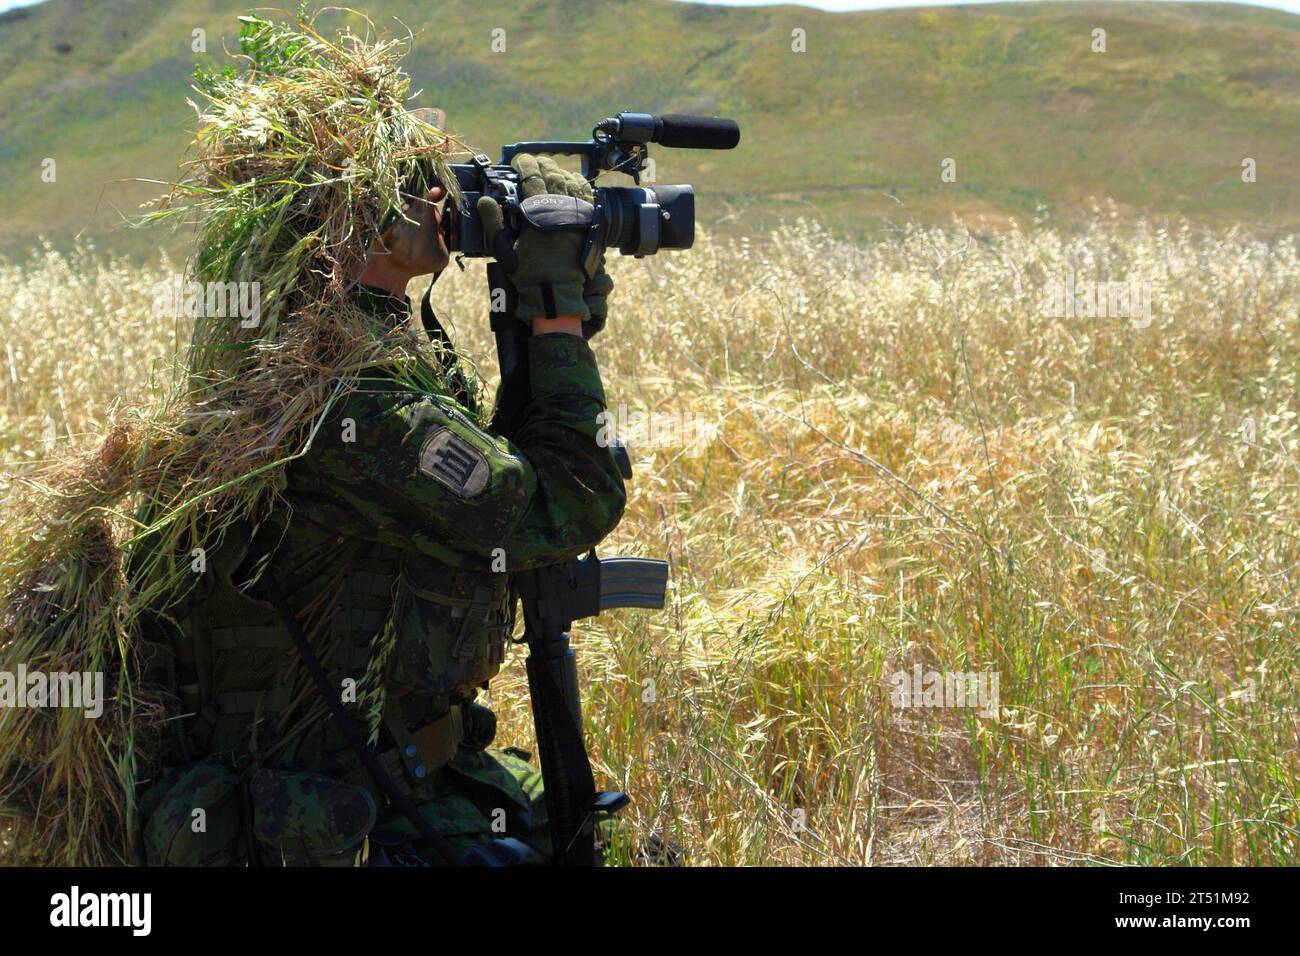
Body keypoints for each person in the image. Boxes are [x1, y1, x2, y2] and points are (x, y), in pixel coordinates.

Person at [136, 153, 626, 866]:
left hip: (388, 776)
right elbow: (566, 501)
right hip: (329, 815)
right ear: (337, 228)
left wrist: (548, 316)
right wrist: (556, 312)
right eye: (402, 181)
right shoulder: (350, 397)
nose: (437, 195)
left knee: (615, 841)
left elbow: (505, 474)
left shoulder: (343, 355)